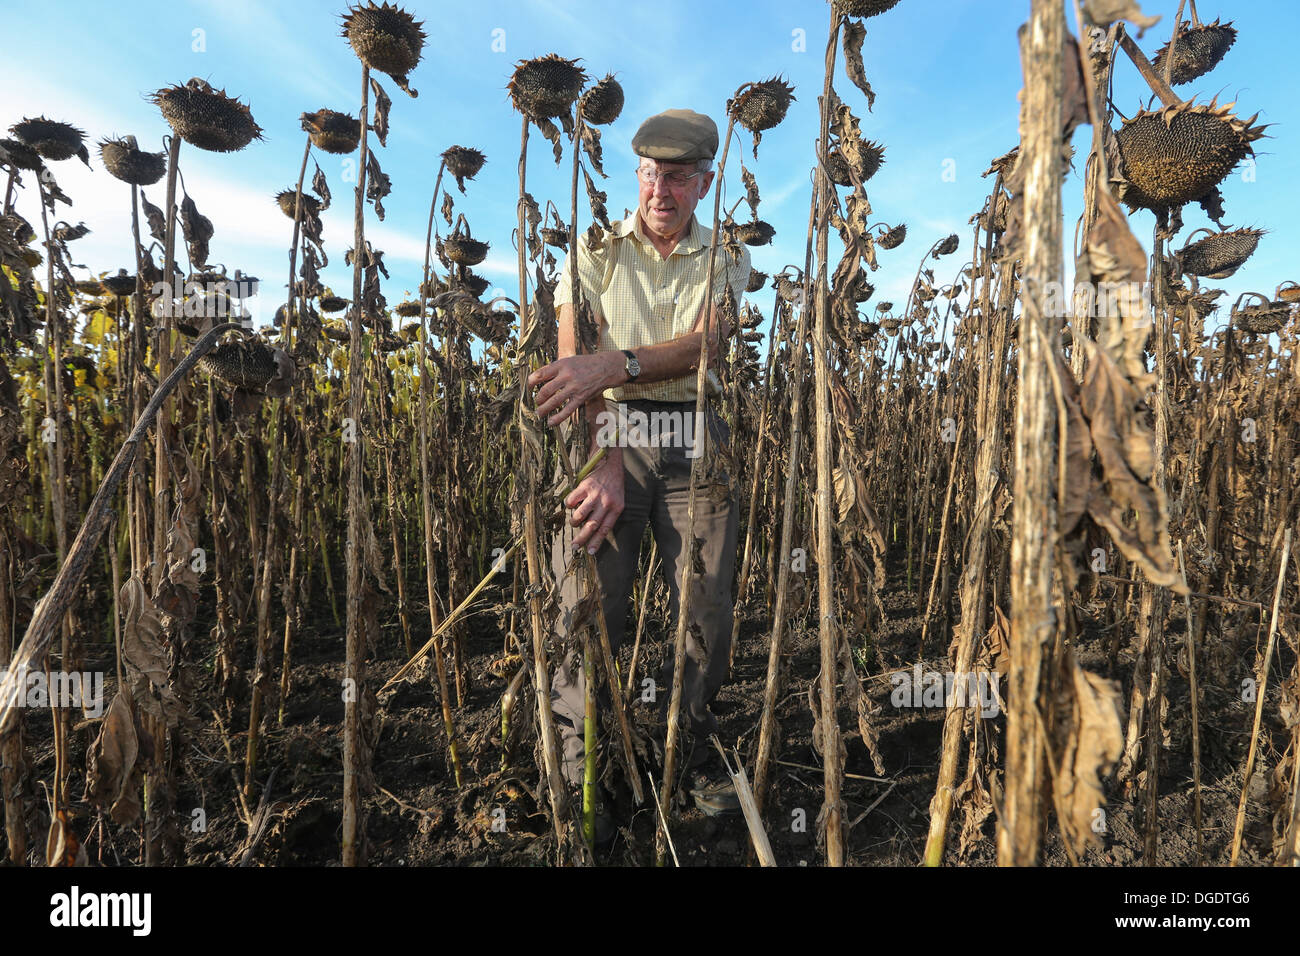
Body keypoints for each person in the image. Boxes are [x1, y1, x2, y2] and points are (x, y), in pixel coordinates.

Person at [526, 108, 751, 840]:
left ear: (704, 183)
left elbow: (707, 344)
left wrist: (618, 362)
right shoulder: (591, 249)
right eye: (652, 175)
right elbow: (571, 369)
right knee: (587, 604)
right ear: (638, 177)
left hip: (695, 435)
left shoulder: (726, 255)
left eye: (678, 178)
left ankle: (689, 750)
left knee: (705, 604)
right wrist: (608, 456)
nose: (661, 190)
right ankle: (576, 762)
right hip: (606, 433)